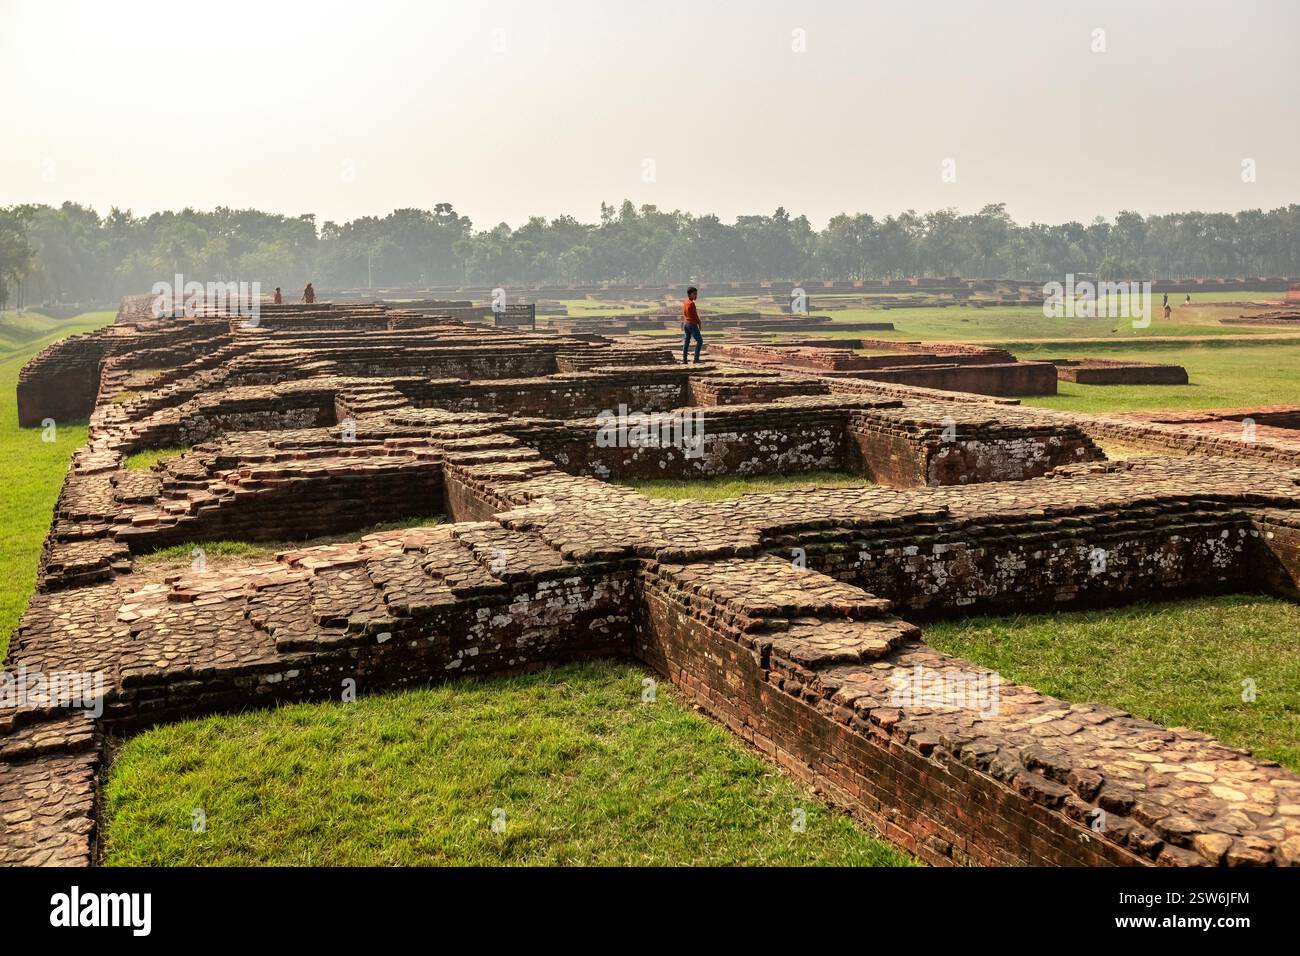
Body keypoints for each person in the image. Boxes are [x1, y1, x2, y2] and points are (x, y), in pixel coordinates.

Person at [681, 286, 703, 363]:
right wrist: (699, 323)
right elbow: (695, 315)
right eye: (694, 294)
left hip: (686, 323)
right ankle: (696, 359)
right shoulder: (691, 304)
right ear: (689, 295)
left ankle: (684, 359)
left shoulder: (685, 302)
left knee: (686, 341)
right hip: (692, 324)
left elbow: (684, 313)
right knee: (700, 341)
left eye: (696, 294)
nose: (696, 296)